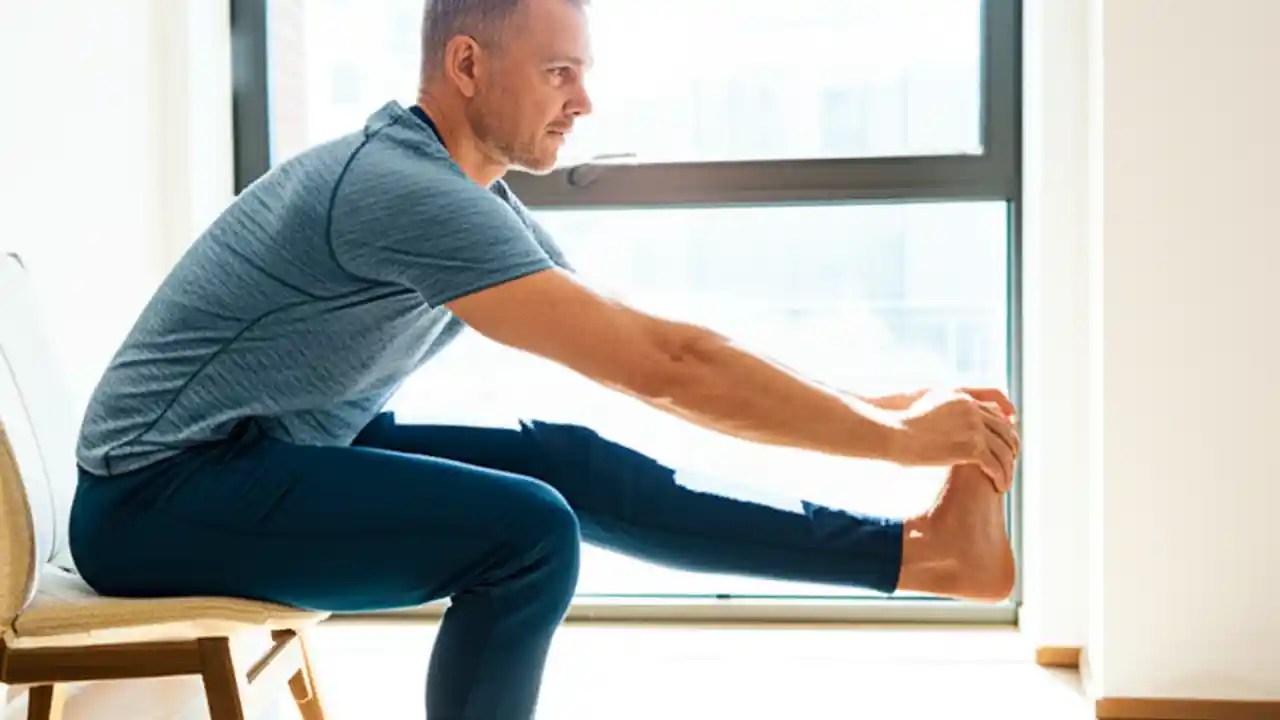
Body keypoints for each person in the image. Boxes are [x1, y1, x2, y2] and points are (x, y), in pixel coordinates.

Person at [70, 0, 1021, 717]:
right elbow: (667, 365)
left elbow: (656, 347)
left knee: (570, 463)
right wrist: (896, 439)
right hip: (156, 499)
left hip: (258, 461)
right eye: (560, 71)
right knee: (528, 534)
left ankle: (919, 557)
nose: (586, 101)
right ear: (469, 63)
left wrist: (896, 408)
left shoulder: (458, 195)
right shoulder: (402, 192)